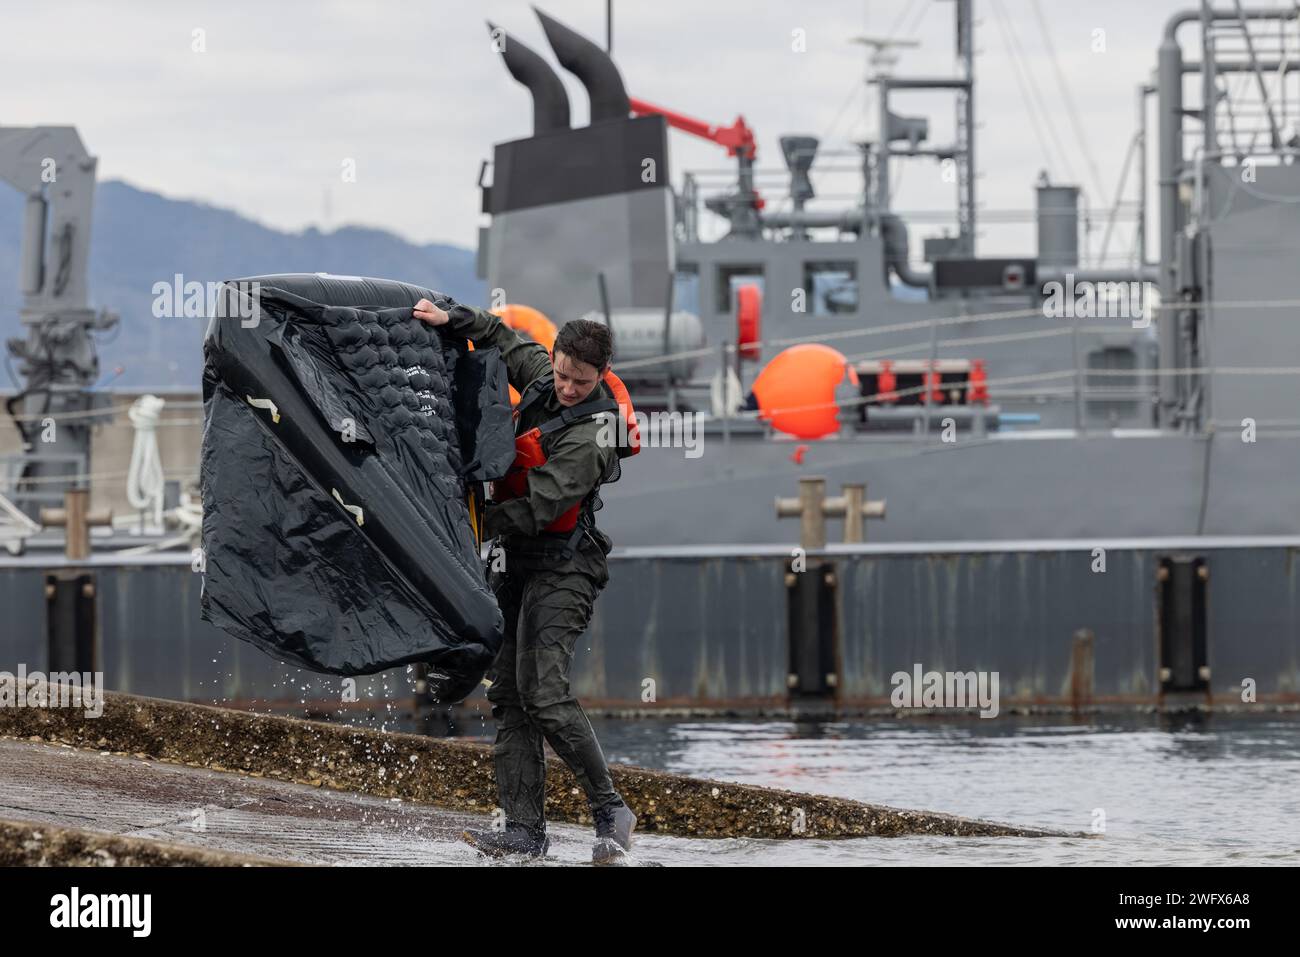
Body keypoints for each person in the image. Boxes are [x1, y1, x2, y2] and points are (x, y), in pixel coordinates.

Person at [412, 296, 638, 864]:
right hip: (515, 560)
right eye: (561, 374)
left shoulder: (593, 436)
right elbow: (498, 335)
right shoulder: (543, 374)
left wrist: (465, 522)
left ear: (601, 377)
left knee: (544, 690)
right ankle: (523, 831)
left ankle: (610, 810)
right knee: (509, 696)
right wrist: (451, 318)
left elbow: (540, 504)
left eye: (580, 383)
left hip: (567, 565)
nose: (566, 388)